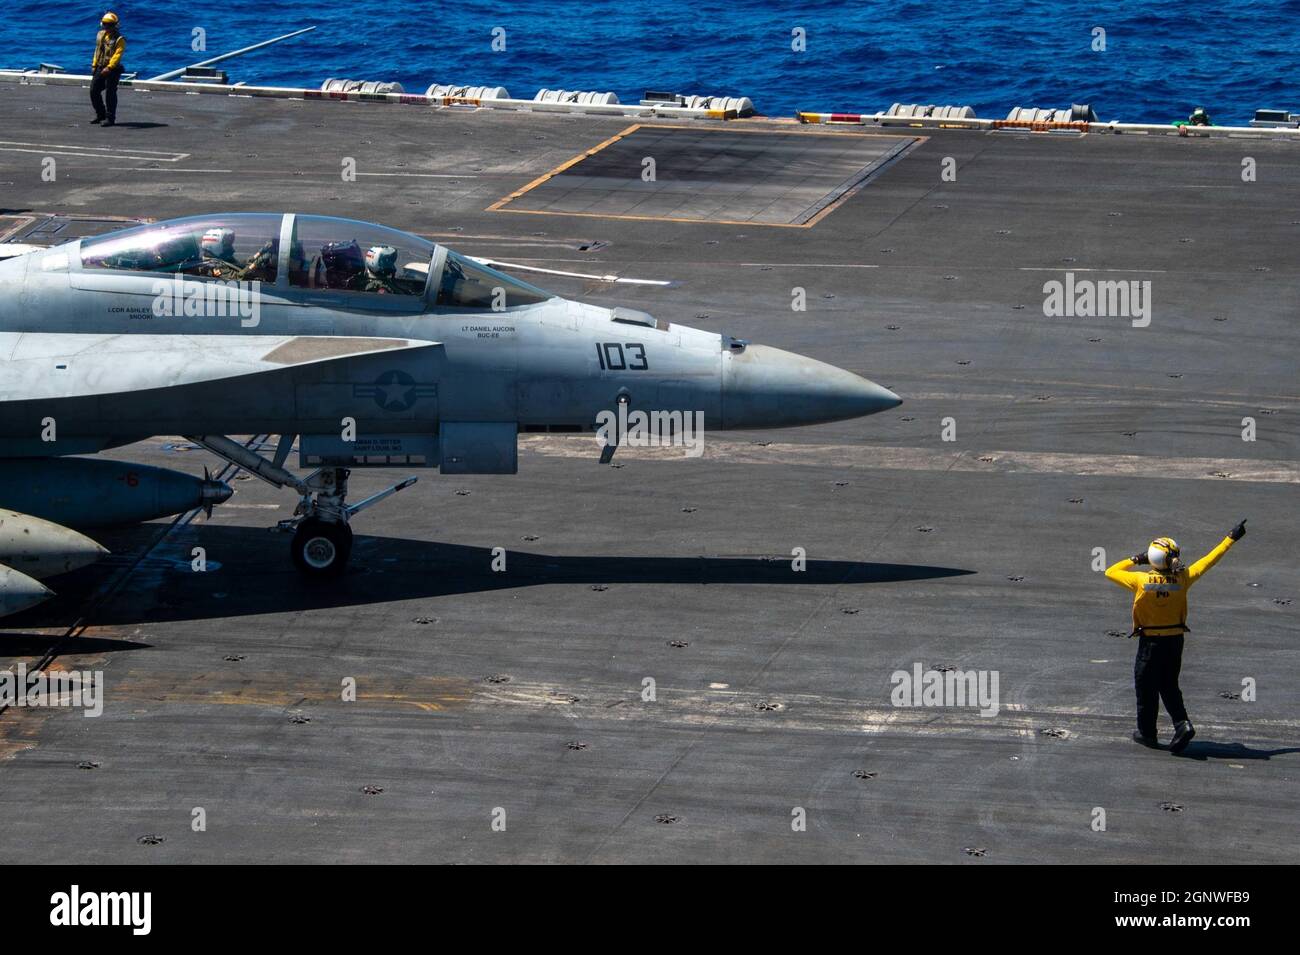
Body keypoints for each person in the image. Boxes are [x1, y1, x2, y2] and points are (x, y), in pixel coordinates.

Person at [1105, 519, 1247, 753]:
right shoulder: (1183, 579)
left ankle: (1147, 732)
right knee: (1169, 684)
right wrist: (1230, 538)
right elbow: (1209, 560)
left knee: (1145, 686)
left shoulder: (1141, 581)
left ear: (1153, 559)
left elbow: (1111, 571)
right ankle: (1182, 723)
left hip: (1150, 642)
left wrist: (1136, 559)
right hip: (1174, 641)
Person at [90, 11, 126, 127]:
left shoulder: (119, 39)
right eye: (105, 24)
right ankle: (101, 114)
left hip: (112, 70)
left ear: (115, 25)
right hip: (100, 67)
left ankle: (110, 118)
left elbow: (117, 55)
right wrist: (94, 65)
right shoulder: (100, 35)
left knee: (110, 94)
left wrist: (109, 67)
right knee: (93, 91)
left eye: (109, 24)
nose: (107, 27)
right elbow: (97, 51)